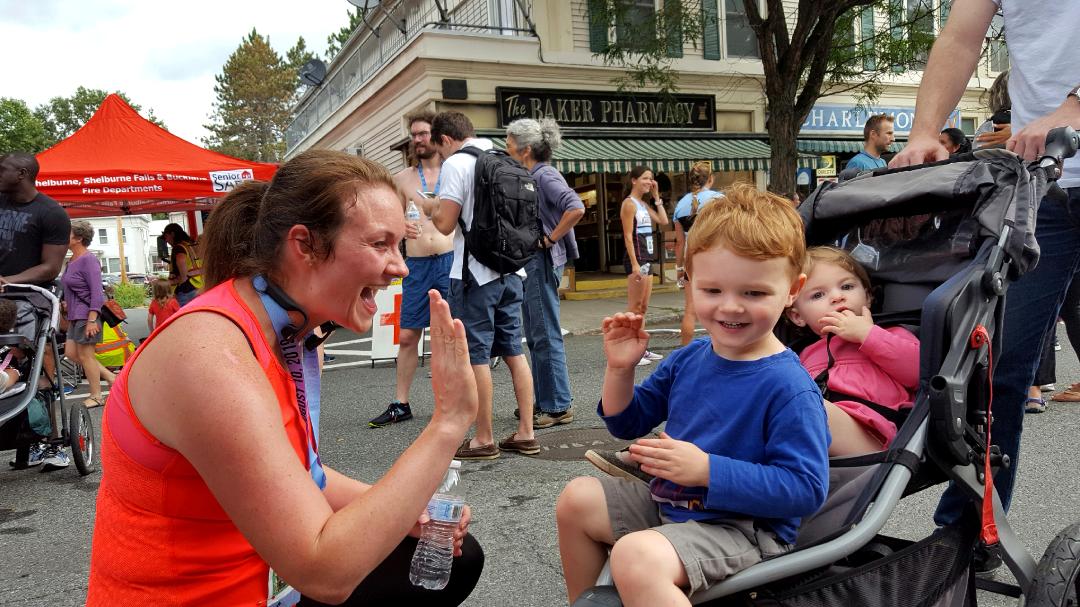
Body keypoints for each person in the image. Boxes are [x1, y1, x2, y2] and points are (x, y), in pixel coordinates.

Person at [86, 150, 484, 605]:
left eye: (399, 245)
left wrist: (412, 511)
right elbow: (324, 572)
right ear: (305, 245)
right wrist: (449, 422)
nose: (401, 267)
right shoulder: (211, 356)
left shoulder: (285, 327)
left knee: (455, 557)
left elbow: (298, 474)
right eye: (380, 244)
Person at [556, 184, 829, 606]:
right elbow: (625, 422)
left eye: (753, 293)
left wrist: (707, 470)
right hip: (673, 501)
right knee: (577, 499)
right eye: (712, 291)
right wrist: (620, 369)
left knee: (636, 556)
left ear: (793, 289)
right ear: (690, 282)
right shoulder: (692, 357)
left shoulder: (789, 386)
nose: (730, 307)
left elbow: (805, 489)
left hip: (744, 527)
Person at [889, 0, 1080, 573]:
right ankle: (969, 534)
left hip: (1056, 140)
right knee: (994, 368)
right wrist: (925, 132)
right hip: (1043, 188)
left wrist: (1073, 105)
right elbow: (960, 38)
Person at [426, 110, 539, 460]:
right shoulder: (501, 157)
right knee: (514, 351)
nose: (440, 156)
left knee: (476, 356)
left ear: (446, 140)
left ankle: (484, 438)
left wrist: (431, 206)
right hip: (512, 271)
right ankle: (526, 433)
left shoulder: (456, 165)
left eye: (439, 149)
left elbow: (445, 225)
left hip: (476, 272)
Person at [786, 247, 920, 456]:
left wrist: (867, 335)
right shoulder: (802, 354)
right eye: (818, 295)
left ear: (867, 297)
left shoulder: (890, 333)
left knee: (800, 406)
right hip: (816, 430)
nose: (837, 297)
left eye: (847, 286)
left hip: (872, 432)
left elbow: (919, 372)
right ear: (798, 316)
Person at [370, 110, 455, 428]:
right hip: (417, 264)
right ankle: (400, 403)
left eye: (422, 133)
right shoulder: (403, 179)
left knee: (448, 334)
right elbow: (386, 218)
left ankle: (451, 401)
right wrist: (400, 226)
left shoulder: (453, 171)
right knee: (408, 335)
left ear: (435, 136)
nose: (417, 139)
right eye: (414, 134)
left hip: (450, 260)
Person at [505, 117, 584, 428]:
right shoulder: (536, 174)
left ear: (525, 149)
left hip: (541, 260)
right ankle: (546, 400)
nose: (506, 148)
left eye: (509, 144)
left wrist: (549, 238)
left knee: (544, 332)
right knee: (538, 333)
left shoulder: (543, 175)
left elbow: (575, 207)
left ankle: (556, 406)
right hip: (537, 261)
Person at [61, 220, 116, 409]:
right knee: (71, 353)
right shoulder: (72, 261)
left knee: (86, 356)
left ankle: (96, 395)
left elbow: (96, 292)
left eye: (67, 233)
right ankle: (110, 377)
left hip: (87, 316)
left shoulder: (89, 259)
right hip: (75, 316)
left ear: (78, 238)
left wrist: (93, 319)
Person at [620, 165, 669, 365]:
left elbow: (664, 221)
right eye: (645, 178)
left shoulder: (643, 204)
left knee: (644, 307)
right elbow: (627, 236)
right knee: (634, 307)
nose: (649, 182)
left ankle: (642, 348)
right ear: (634, 180)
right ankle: (631, 350)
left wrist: (657, 197)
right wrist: (634, 264)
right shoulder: (629, 204)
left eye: (651, 179)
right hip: (637, 259)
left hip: (648, 257)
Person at [672, 161, 723, 346]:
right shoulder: (719, 200)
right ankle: (720, 348)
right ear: (711, 178)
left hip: (691, 260)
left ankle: (685, 352)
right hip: (717, 258)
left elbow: (680, 242)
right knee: (720, 307)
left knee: (690, 310)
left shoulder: (680, 205)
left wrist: (679, 268)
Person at [161, 223, 204, 306]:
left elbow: (181, 260)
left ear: (172, 234)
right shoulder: (190, 245)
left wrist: (179, 279)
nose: (166, 240)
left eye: (166, 236)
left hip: (186, 290)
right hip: (198, 286)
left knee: (184, 316)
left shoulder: (179, 248)